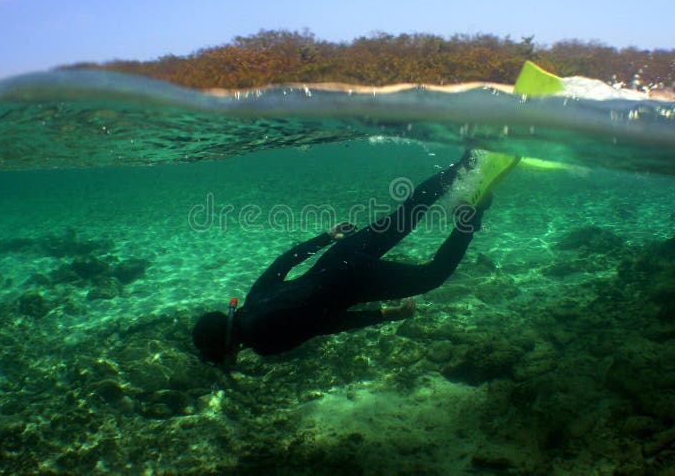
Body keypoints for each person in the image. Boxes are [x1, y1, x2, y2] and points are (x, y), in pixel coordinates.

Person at [193, 149, 519, 366]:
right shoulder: (251, 300)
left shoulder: (264, 342)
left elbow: (328, 324)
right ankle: (463, 165)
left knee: (433, 275)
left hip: (353, 280)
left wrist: (387, 315)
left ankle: (468, 217)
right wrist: (327, 237)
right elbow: (283, 263)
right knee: (407, 214)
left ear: (225, 349)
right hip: (339, 255)